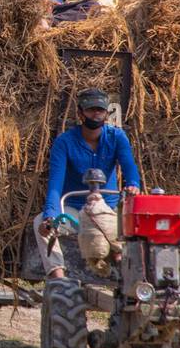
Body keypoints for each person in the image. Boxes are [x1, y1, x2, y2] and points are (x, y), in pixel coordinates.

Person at [35, 88, 141, 280]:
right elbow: (55, 185)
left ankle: (128, 274)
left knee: (132, 233)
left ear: (106, 113)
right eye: (91, 110)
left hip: (108, 208)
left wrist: (133, 184)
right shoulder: (65, 142)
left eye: (100, 110)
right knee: (39, 224)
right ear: (80, 113)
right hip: (74, 210)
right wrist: (50, 216)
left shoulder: (117, 137)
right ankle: (58, 278)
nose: (96, 114)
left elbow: (130, 169)